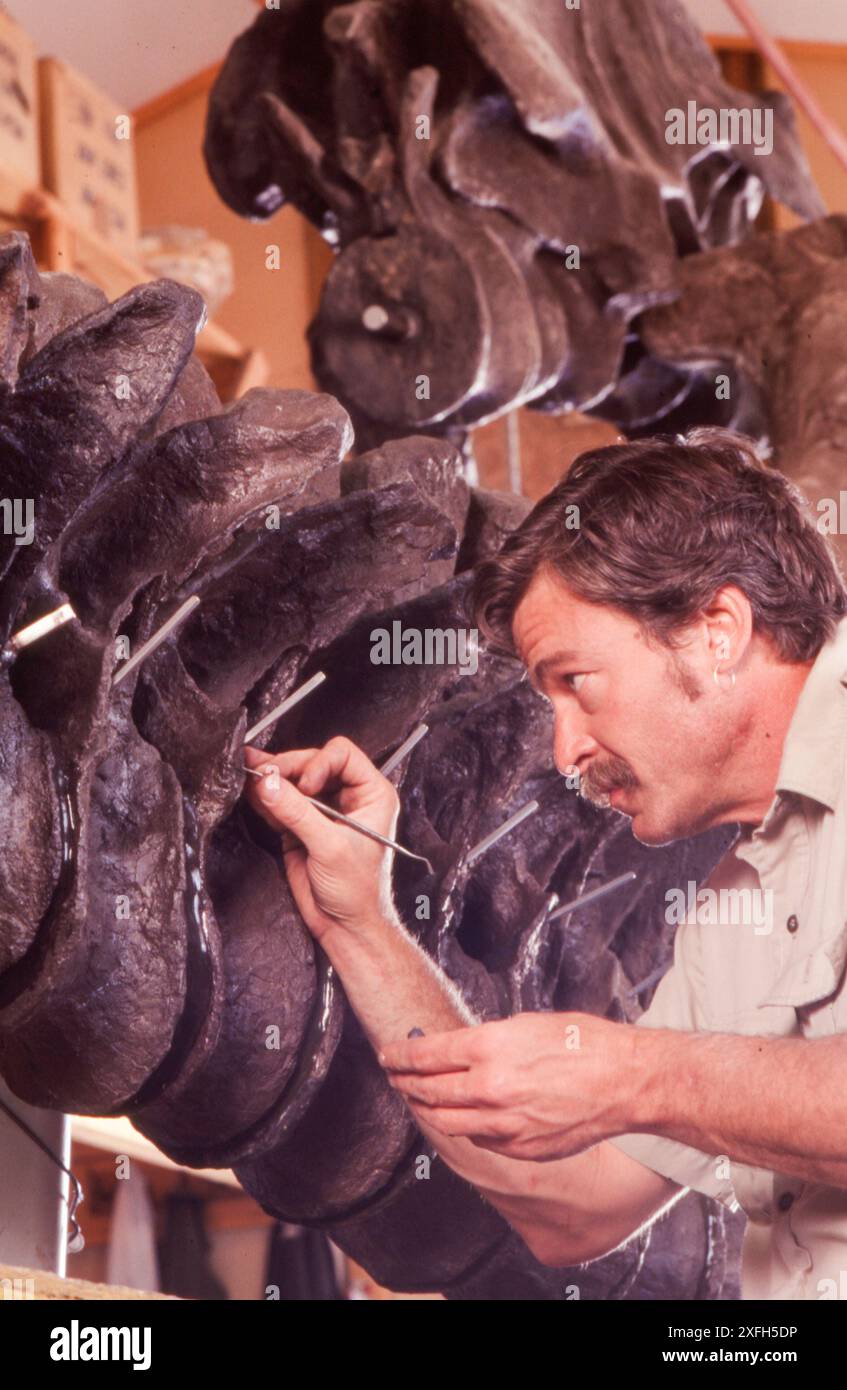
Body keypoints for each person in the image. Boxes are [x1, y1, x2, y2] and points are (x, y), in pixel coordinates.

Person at [244, 427, 847, 1301]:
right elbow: (570, 1203)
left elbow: (639, 1086)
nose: (563, 751)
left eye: (575, 681)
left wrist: (634, 1075)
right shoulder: (733, 905)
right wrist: (361, 924)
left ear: (716, 630)